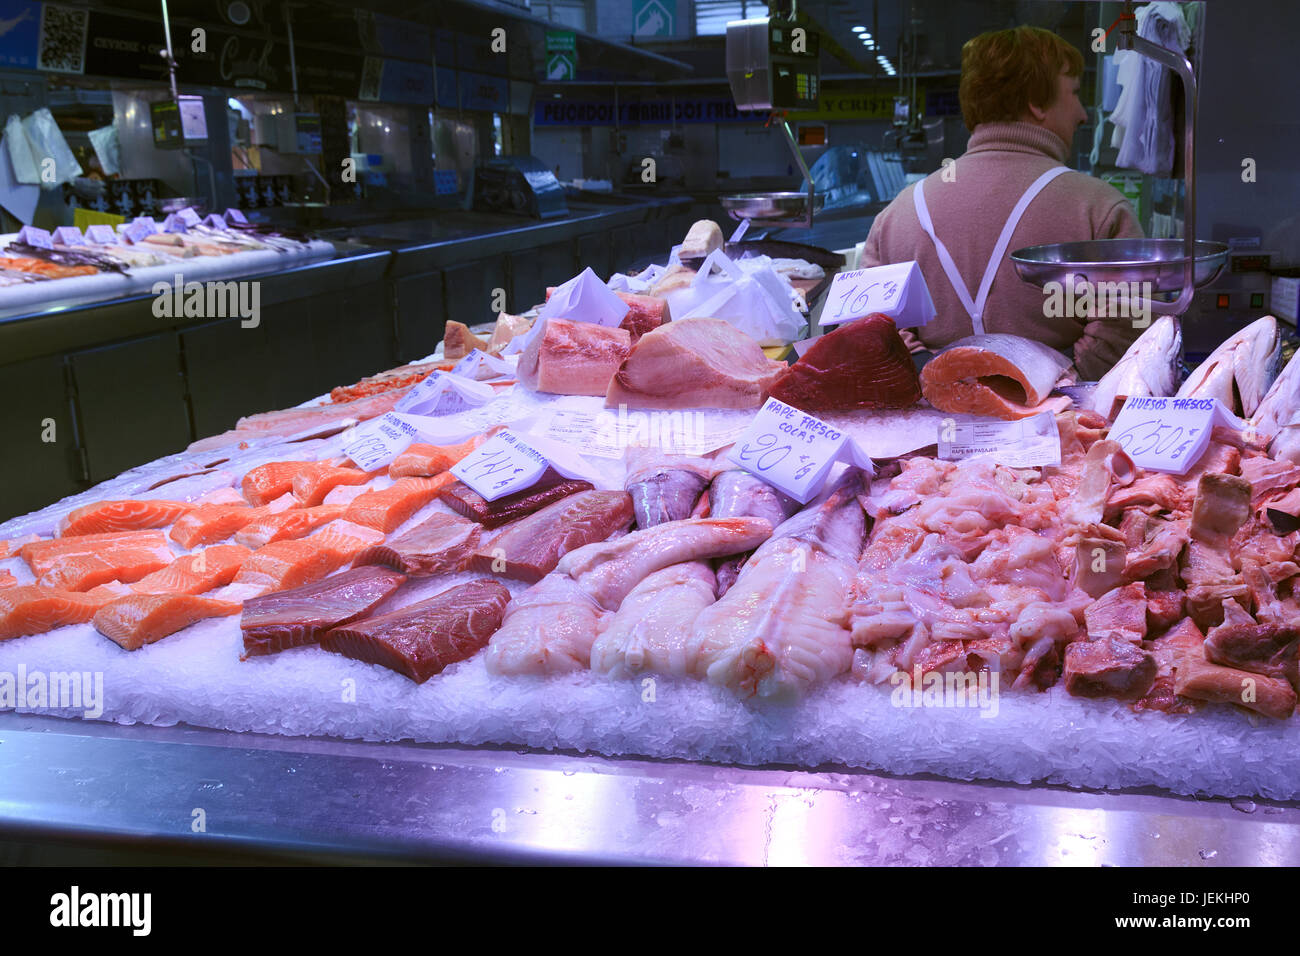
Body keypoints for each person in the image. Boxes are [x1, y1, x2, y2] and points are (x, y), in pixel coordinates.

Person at [861, 25, 1144, 381]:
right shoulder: (1099, 207)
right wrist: (1054, 385)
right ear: (1037, 104)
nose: (1083, 113)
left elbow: (873, 326)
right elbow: (1128, 322)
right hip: (1069, 429)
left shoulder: (897, 214)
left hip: (930, 430)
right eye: (1074, 93)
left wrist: (931, 378)